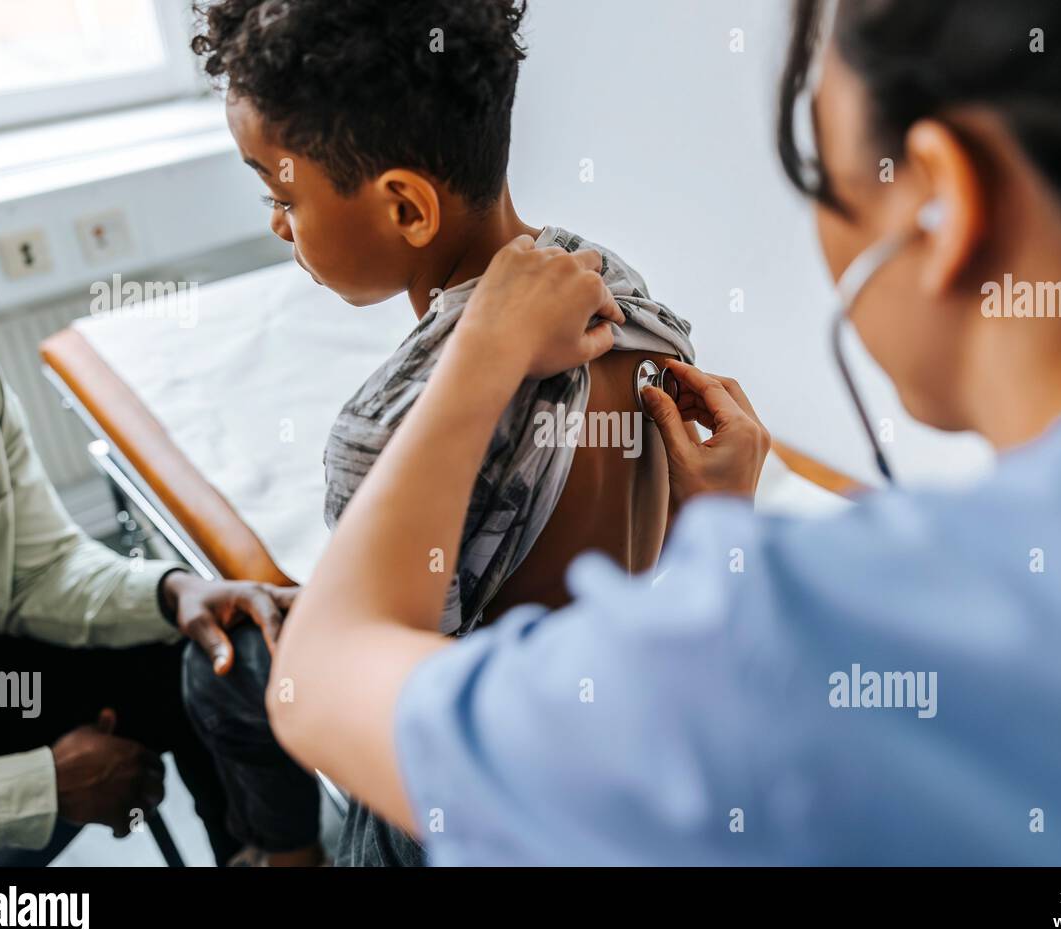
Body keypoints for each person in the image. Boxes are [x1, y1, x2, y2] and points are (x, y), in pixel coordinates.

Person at [264, 0, 1061, 864]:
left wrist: (477, 356)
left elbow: (321, 673)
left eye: (814, 162)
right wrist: (716, 524)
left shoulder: (792, 654)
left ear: (941, 206)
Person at [182, 0, 692, 866]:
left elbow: (357, 684)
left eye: (282, 194)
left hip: (459, 799)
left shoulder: (382, 429)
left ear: (407, 211)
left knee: (214, 667)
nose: (277, 224)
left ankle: (285, 855)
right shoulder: (611, 280)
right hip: (611, 721)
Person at [0, 324, 295, 866]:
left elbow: (37, 568)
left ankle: (266, 856)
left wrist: (170, 591)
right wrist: (35, 790)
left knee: (190, 645)